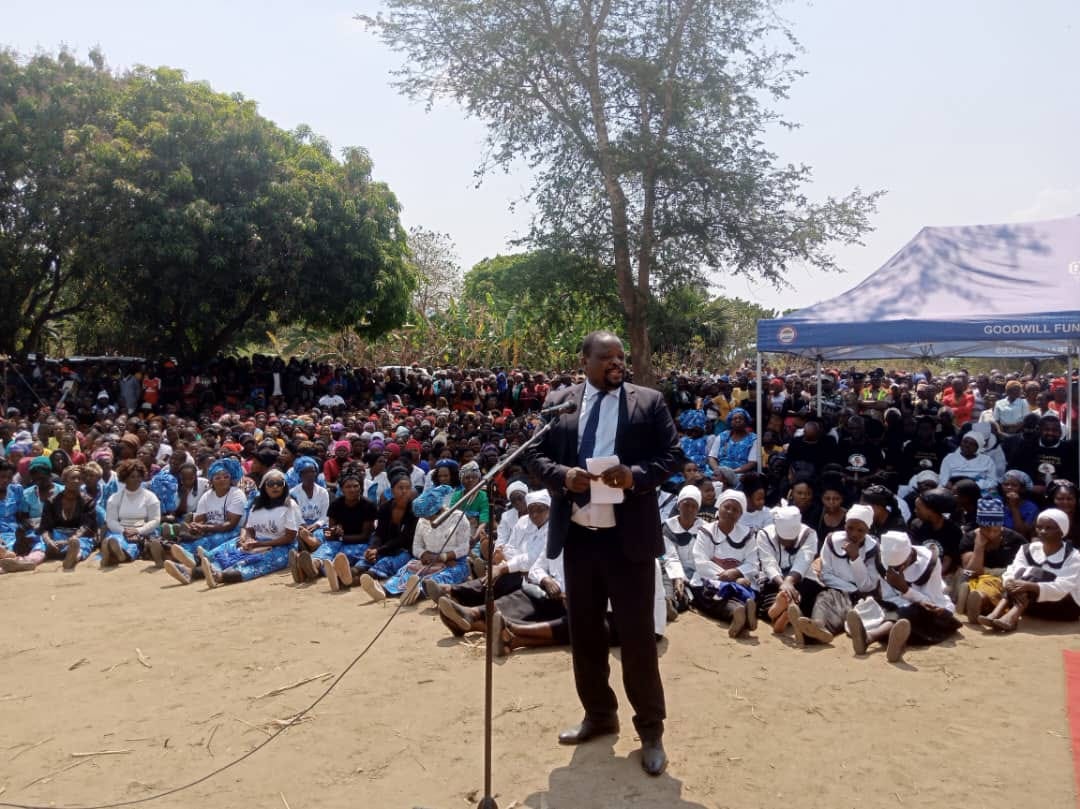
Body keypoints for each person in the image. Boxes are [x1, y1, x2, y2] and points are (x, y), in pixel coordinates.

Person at [523, 330, 679, 777]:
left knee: (636, 638)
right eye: (606, 357)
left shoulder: (648, 402)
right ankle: (599, 715)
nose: (616, 363)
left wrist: (635, 476)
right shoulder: (560, 402)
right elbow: (534, 455)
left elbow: (672, 456)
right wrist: (561, 476)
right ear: (585, 361)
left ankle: (650, 730)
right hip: (580, 538)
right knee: (585, 634)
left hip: (627, 541)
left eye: (620, 357)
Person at [846, 531, 959, 662]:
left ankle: (869, 637)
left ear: (910, 555)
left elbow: (932, 600)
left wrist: (905, 589)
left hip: (926, 610)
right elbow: (889, 597)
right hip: (897, 608)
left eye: (900, 565)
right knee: (876, 608)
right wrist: (903, 602)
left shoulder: (930, 563)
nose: (897, 569)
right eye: (893, 567)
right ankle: (897, 641)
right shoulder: (883, 563)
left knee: (913, 612)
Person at [359, 484, 471, 603]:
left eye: (430, 516)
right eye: (425, 517)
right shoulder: (422, 520)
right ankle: (383, 590)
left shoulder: (459, 518)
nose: (427, 520)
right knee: (406, 572)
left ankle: (417, 593)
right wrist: (424, 554)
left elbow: (464, 548)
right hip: (427, 561)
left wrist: (442, 557)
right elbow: (416, 546)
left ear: (438, 510)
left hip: (453, 562)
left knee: (438, 579)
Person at [977, 508, 1080, 632]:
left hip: (1064, 608)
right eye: (1039, 527)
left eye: (1049, 528)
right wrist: (1009, 582)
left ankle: (1011, 616)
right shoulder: (1027, 549)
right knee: (1018, 574)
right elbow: (1013, 571)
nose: (1042, 531)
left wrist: (1030, 586)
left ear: (1062, 531)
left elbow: (1063, 587)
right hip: (1032, 606)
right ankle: (999, 611)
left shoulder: (1073, 556)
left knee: (1034, 573)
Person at [795, 504, 880, 646]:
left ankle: (813, 633)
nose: (854, 534)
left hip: (861, 596)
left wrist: (855, 558)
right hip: (836, 590)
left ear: (868, 530)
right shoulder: (832, 540)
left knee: (844, 610)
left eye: (860, 530)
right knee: (824, 598)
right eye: (850, 528)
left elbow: (867, 585)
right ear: (845, 525)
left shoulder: (873, 549)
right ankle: (817, 626)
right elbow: (826, 574)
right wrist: (848, 588)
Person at [199, 469, 299, 587]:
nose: (275, 486)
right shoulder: (256, 505)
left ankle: (221, 577)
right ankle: (195, 569)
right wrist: (247, 539)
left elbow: (290, 537)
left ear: (285, 486)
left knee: (257, 561)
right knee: (232, 548)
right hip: (257, 542)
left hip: (283, 547)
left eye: (279, 483)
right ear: (264, 486)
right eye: (271, 483)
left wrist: (260, 544)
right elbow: (249, 529)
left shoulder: (290, 505)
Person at [163, 458, 248, 585]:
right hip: (211, 530)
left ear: (231, 479)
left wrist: (205, 527)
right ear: (211, 480)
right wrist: (196, 526)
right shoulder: (207, 496)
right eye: (218, 477)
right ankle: (186, 564)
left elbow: (231, 524)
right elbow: (200, 520)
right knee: (190, 542)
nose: (222, 480)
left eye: (226, 477)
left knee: (210, 541)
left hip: (233, 532)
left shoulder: (236, 494)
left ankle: (190, 563)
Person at [688, 490, 759, 638]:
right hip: (712, 579)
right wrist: (730, 577)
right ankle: (742, 611)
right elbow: (701, 561)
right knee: (710, 593)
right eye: (726, 507)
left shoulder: (748, 534)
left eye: (735, 510)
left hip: (739, 581)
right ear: (718, 507)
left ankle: (737, 612)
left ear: (740, 514)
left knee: (716, 599)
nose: (730, 512)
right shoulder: (706, 531)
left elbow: (753, 563)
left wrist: (735, 573)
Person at [956, 498, 1025, 623]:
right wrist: (979, 546)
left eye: (995, 530)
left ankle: (978, 601)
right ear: (979, 525)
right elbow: (970, 571)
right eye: (987, 529)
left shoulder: (1015, 540)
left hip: (1003, 579)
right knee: (970, 581)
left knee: (993, 585)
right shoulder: (969, 538)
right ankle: (974, 599)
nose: (991, 534)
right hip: (975, 577)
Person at [757, 505, 821, 632]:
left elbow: (803, 561)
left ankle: (779, 613)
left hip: (800, 579)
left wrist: (789, 582)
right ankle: (783, 610)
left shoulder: (809, 534)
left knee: (810, 592)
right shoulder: (764, 534)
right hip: (774, 580)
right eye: (783, 539)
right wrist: (782, 584)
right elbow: (768, 562)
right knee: (766, 594)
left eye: (792, 540)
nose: (787, 543)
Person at [103, 459, 161, 567]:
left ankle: (121, 555)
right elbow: (110, 520)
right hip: (122, 530)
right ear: (125, 478)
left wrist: (138, 531)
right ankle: (115, 550)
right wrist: (124, 531)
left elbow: (155, 520)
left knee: (136, 544)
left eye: (139, 476)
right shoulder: (115, 498)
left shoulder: (150, 497)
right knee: (116, 539)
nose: (137, 479)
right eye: (132, 477)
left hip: (143, 530)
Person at [39, 465, 98, 570]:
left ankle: (74, 558)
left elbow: (86, 526)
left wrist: (70, 540)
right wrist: (49, 541)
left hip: (78, 536)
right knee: (40, 545)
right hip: (56, 536)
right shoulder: (52, 501)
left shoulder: (88, 502)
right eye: (73, 478)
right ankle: (28, 562)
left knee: (82, 544)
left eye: (79, 478)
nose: (76, 481)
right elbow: (44, 527)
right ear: (64, 480)